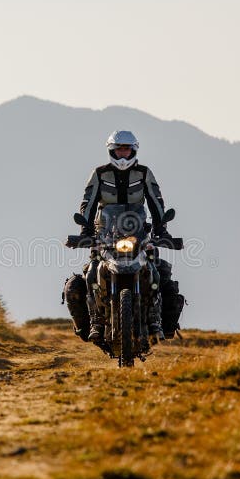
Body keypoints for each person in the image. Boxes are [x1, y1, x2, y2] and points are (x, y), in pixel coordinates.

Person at [63, 130, 183, 345]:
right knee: (91, 272)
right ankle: (96, 321)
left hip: (138, 234)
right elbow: (88, 203)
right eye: (119, 149)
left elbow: (156, 202)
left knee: (158, 271)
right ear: (112, 150)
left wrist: (161, 230)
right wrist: (85, 232)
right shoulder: (99, 174)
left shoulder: (144, 173)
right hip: (106, 235)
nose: (123, 154)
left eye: (126, 149)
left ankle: (156, 319)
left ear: (134, 150)